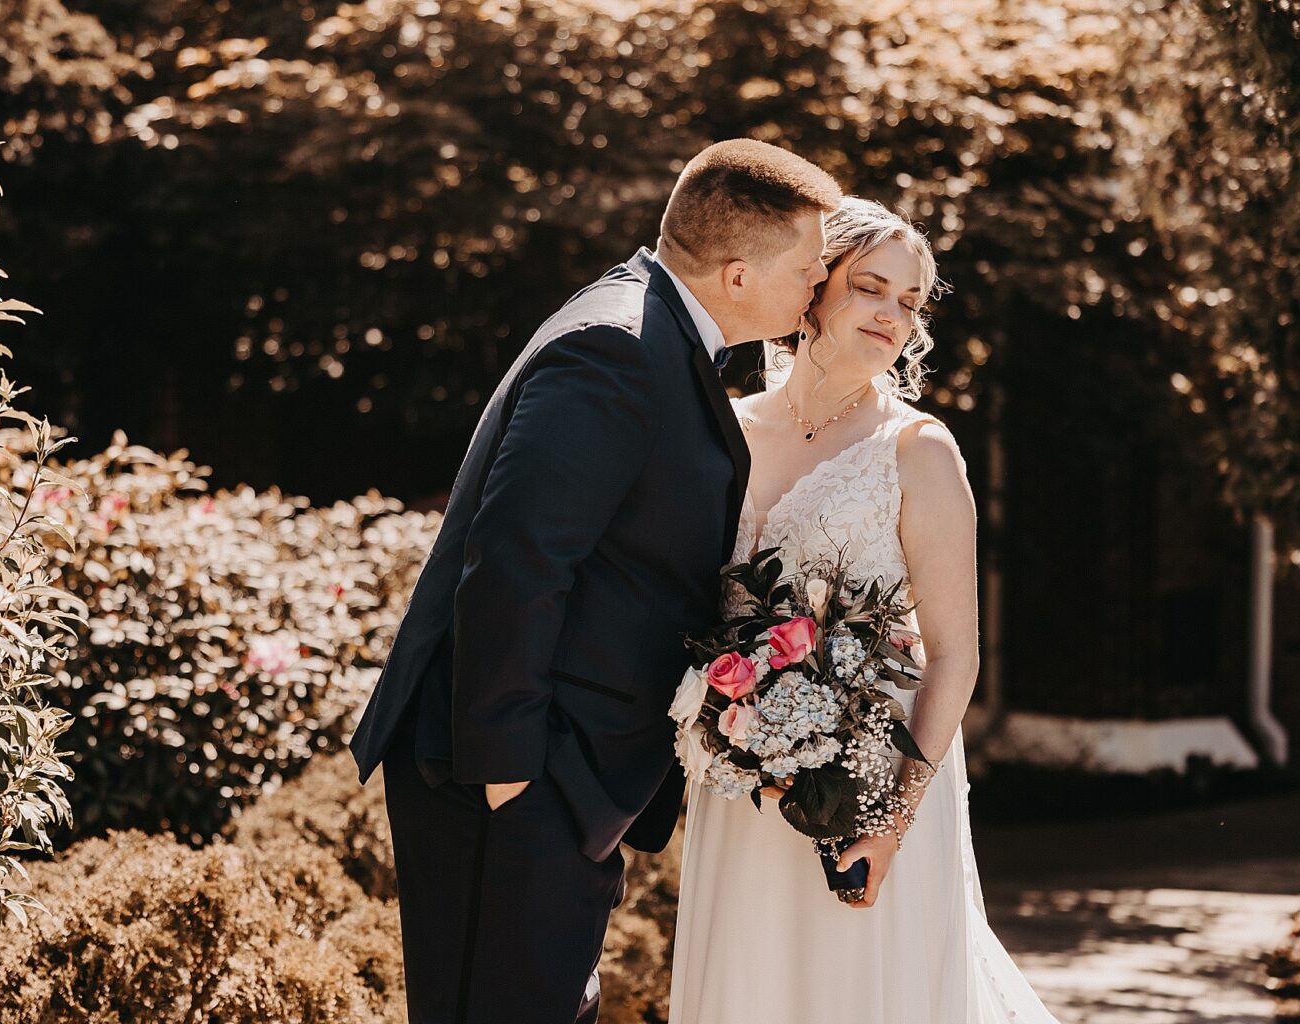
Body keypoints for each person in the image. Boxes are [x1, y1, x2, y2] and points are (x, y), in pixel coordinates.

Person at [347, 138, 840, 1024]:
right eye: (808, 267)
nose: (819, 283)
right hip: (504, 781)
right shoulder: (618, 347)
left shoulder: (652, 332)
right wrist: (510, 777)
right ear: (738, 275)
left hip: (557, 780)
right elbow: (516, 558)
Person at [668, 197, 1061, 1022]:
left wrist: (889, 820)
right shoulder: (724, 432)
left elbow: (954, 655)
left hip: (872, 781)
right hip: (741, 789)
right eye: (871, 287)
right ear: (814, 285)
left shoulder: (918, 450)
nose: (892, 315)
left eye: (909, 302)